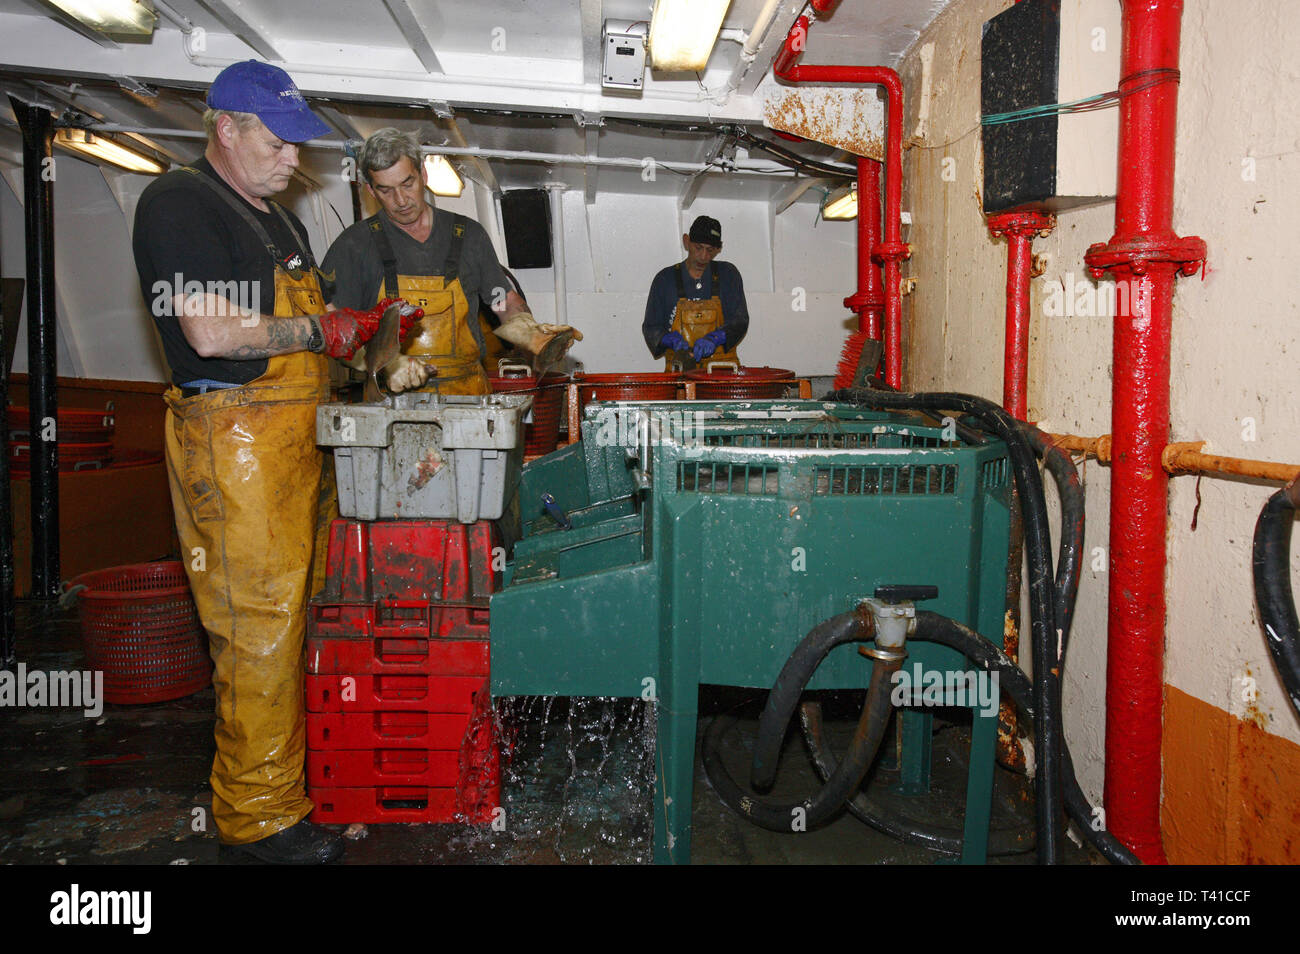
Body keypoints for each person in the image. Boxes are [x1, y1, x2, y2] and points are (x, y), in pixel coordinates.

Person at [132, 60, 422, 864]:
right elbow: (210, 332)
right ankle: (257, 823)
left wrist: (366, 329)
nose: (293, 159)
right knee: (256, 633)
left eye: (298, 143)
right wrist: (318, 333)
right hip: (234, 446)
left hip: (296, 443)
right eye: (277, 140)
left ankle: (286, 787)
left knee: (294, 624)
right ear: (225, 126)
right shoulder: (179, 203)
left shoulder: (277, 220)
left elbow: (313, 325)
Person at [323, 128, 580, 393]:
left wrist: (531, 333)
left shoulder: (469, 236)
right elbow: (330, 327)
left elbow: (502, 302)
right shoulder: (354, 245)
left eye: (407, 183)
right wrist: (384, 363)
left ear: (423, 174)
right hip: (392, 408)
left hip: (467, 398)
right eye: (386, 190)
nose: (400, 201)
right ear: (371, 191)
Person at [642, 215, 749, 371]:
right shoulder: (664, 279)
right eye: (698, 247)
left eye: (710, 250)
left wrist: (716, 338)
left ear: (718, 249)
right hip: (679, 373)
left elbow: (740, 321)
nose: (704, 256)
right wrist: (668, 339)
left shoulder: (728, 274)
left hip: (722, 373)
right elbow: (651, 327)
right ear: (686, 241)